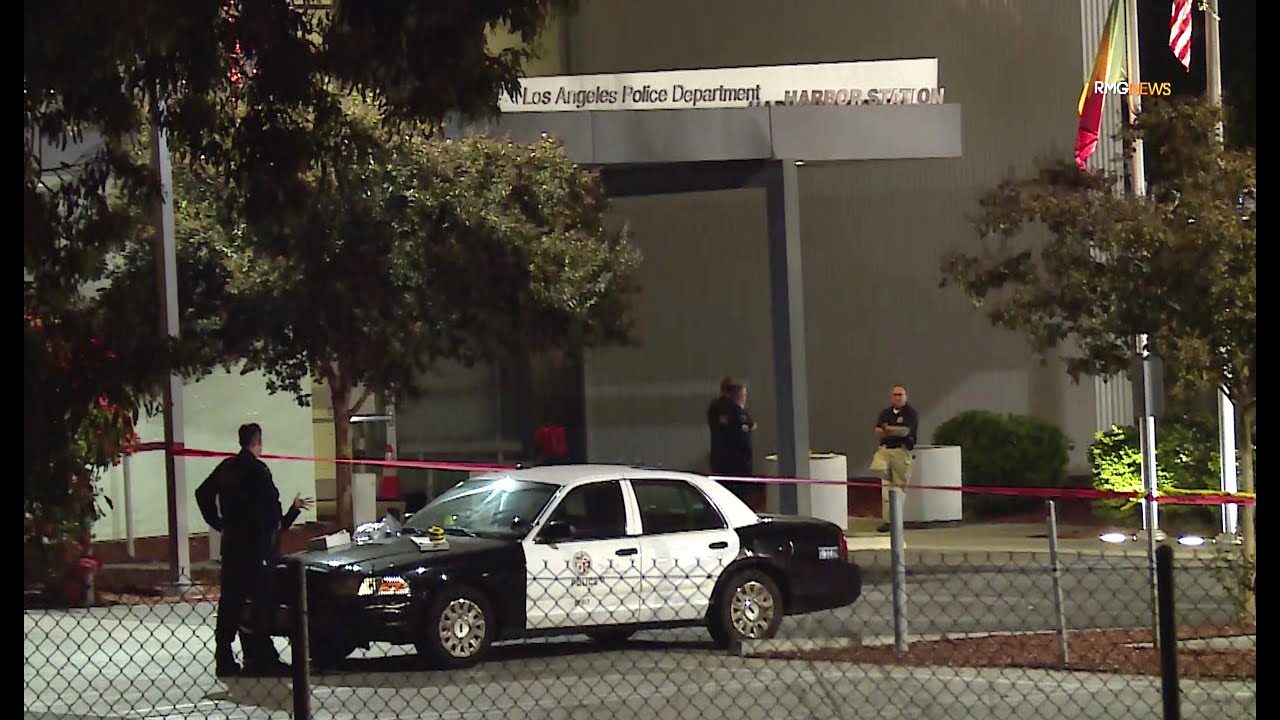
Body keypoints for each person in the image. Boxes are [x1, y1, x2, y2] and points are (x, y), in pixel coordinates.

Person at [196, 423, 312, 677]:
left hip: (233, 546)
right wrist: (290, 513)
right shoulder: (260, 472)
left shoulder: (226, 468)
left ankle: (224, 656)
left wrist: (218, 522)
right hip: (257, 548)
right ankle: (261, 656)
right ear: (257, 442)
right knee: (262, 603)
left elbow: (202, 493)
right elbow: (273, 516)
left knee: (231, 603)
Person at [872, 384, 919, 533]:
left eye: (900, 395)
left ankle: (895, 521)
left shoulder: (910, 413)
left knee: (898, 488)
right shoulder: (885, 413)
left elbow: (904, 431)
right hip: (886, 450)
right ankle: (887, 520)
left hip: (901, 451)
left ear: (906, 397)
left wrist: (888, 429)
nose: (897, 397)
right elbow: (877, 432)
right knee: (883, 480)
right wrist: (891, 431)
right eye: (895, 395)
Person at [707, 379, 757, 503]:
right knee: (739, 496)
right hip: (737, 463)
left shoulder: (715, 408)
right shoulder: (736, 410)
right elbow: (750, 427)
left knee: (722, 493)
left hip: (719, 458)